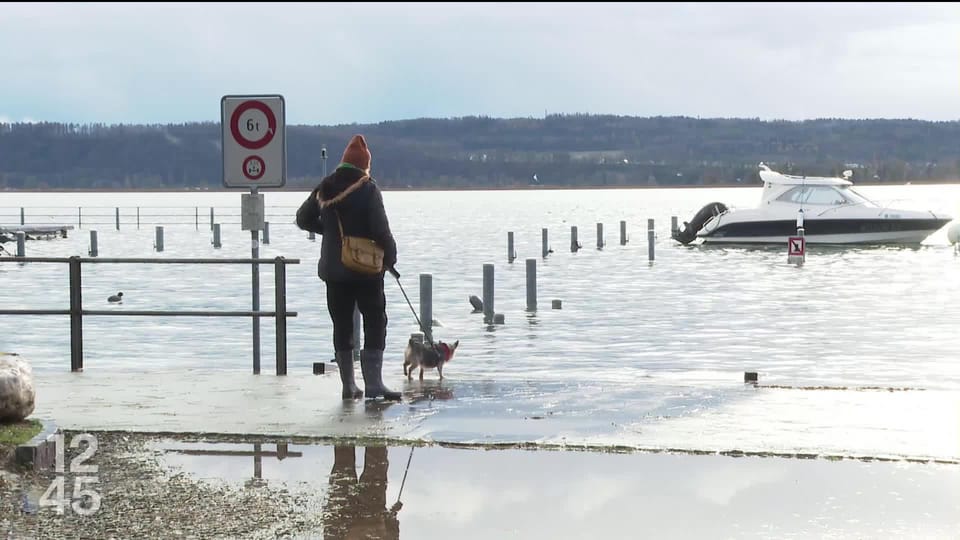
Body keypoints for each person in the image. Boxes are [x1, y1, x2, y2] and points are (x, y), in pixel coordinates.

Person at [296, 135, 401, 401]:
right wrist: (391, 257)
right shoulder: (368, 189)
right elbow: (381, 230)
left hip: (334, 270)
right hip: (366, 270)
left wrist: (331, 235)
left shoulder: (325, 186)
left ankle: (349, 386)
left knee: (341, 324)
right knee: (375, 321)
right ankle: (374, 384)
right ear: (365, 166)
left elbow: (302, 218)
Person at [322, 445, 401, 540]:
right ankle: (370, 437)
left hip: (356, 516)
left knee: (347, 464)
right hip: (370, 514)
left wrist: (391, 520)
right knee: (373, 465)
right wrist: (391, 519)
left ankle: (351, 435)